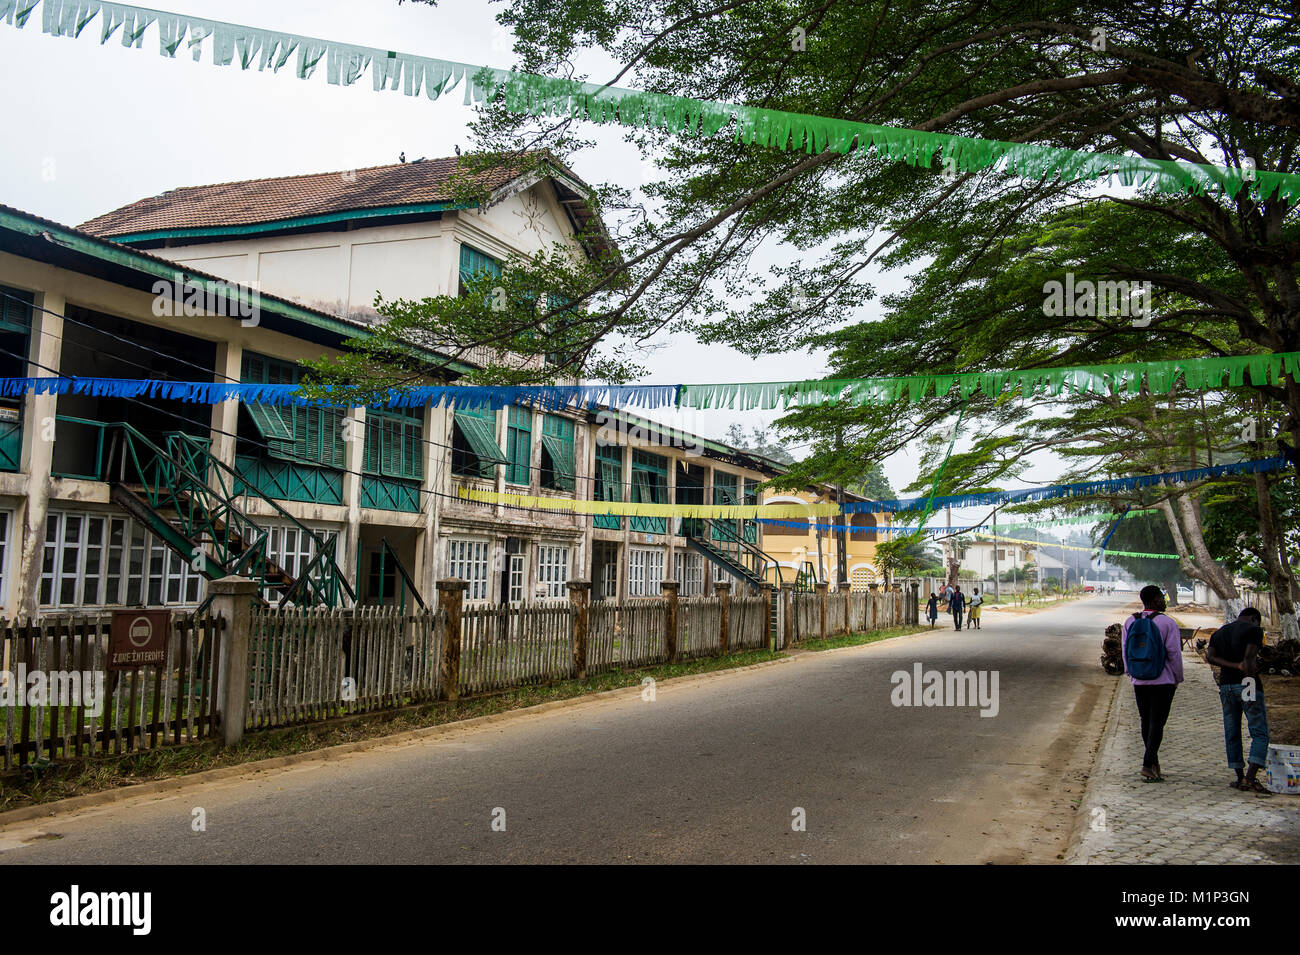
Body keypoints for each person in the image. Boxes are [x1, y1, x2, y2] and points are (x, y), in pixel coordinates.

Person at [1120, 584, 1184, 781]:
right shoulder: (1168, 623)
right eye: (1162, 597)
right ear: (1155, 599)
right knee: (1158, 722)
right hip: (1163, 681)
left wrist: (1130, 672)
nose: (1164, 600)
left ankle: (1153, 762)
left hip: (1139, 680)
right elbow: (1174, 653)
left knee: (1145, 721)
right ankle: (1147, 764)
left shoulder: (1130, 621)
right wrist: (1177, 677)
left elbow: (1125, 650)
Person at [1205, 607, 1271, 795]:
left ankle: (1239, 776)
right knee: (1259, 731)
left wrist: (1233, 666)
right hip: (1247, 684)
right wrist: (1248, 681)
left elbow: (1210, 657)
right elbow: (1249, 658)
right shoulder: (1254, 630)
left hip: (1226, 687)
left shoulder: (1220, 632)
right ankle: (1250, 778)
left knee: (1232, 730)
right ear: (1254, 619)